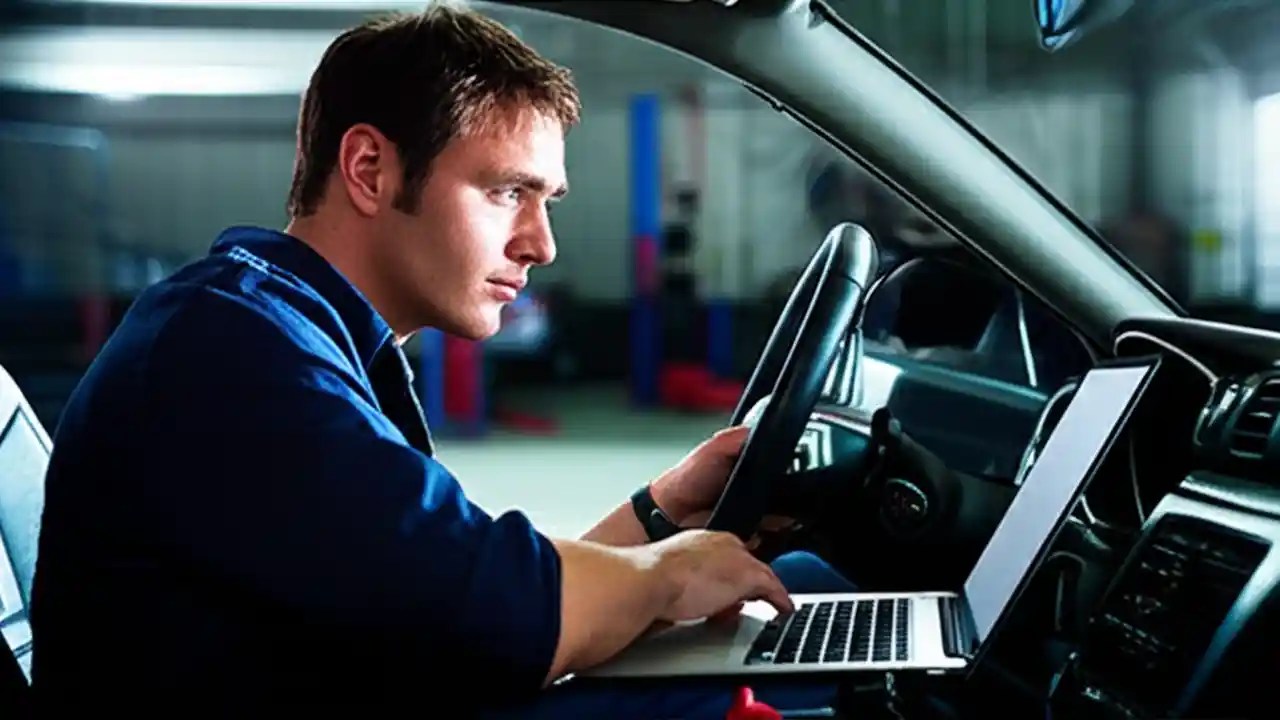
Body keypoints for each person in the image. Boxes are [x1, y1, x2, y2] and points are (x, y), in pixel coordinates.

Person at [28, 3, 854, 716]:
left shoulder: (286, 328)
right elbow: (490, 616)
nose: (541, 244)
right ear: (369, 170)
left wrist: (662, 513)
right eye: (506, 192)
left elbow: (445, 585)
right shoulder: (230, 354)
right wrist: (667, 573)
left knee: (795, 589)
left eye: (546, 201)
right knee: (766, 646)